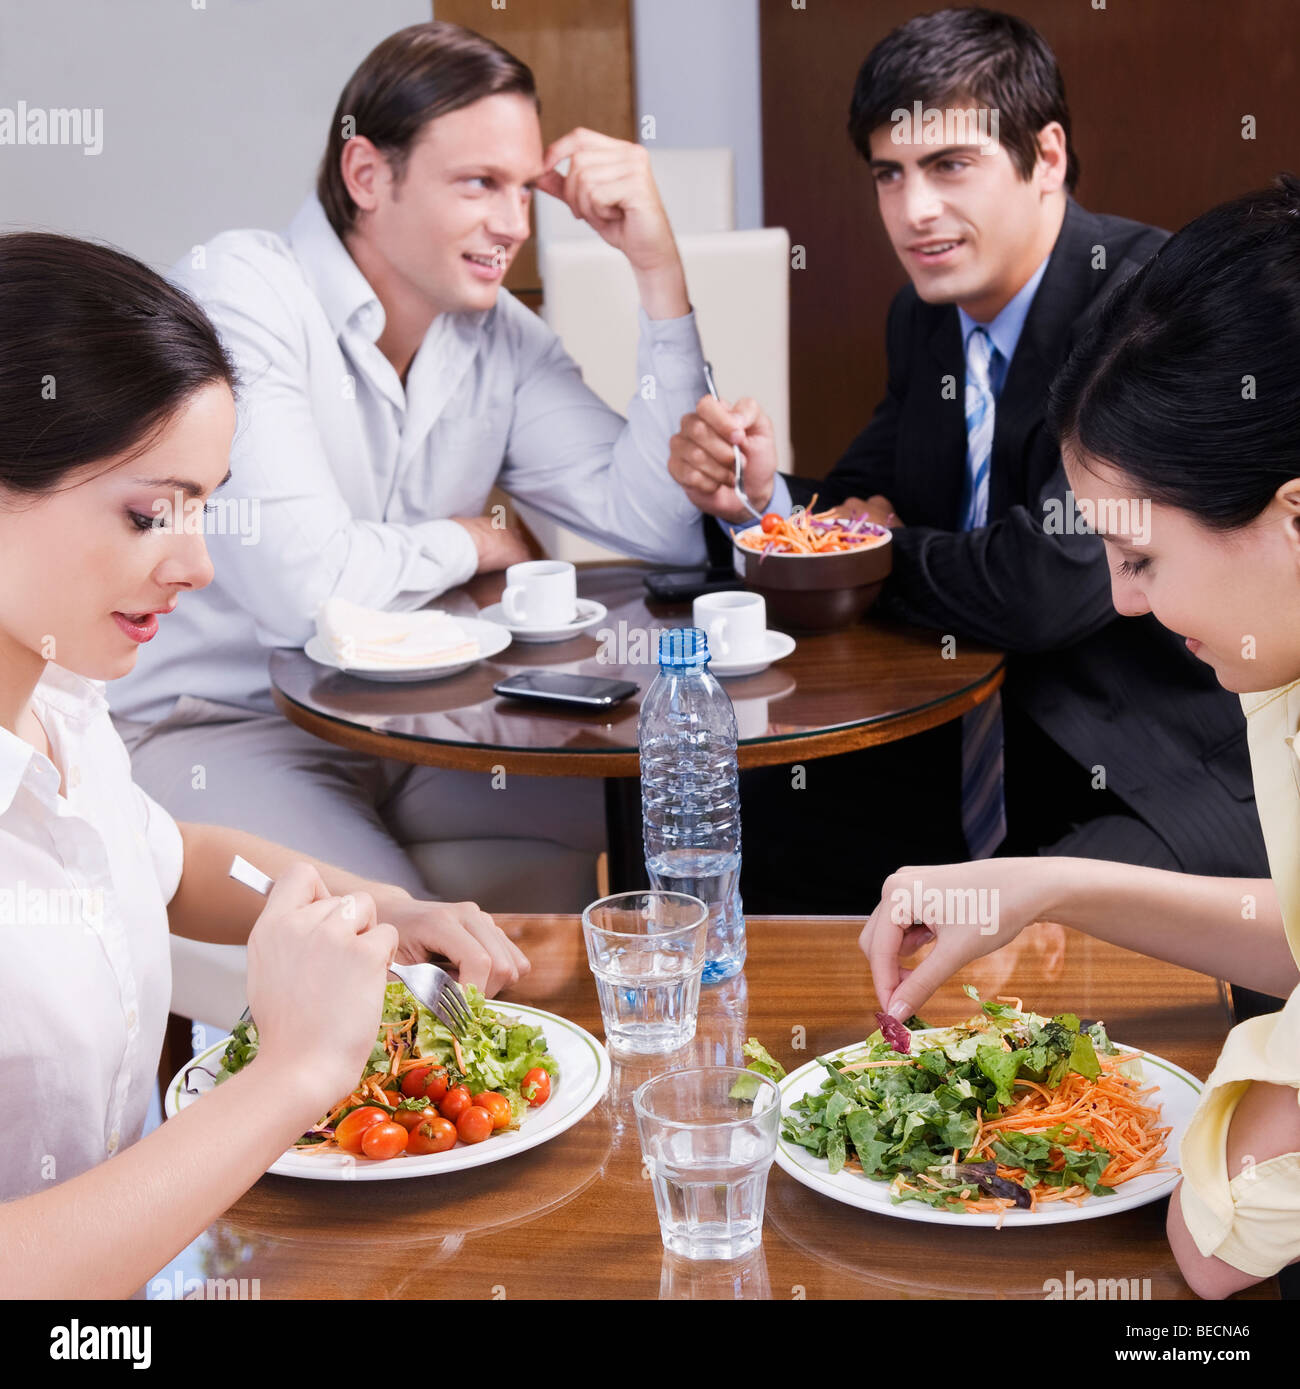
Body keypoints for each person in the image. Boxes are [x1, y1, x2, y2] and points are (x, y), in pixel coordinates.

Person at [0, 231, 527, 1297]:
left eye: (203, 507)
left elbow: (175, 860)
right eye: (149, 512)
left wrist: (371, 905)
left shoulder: (60, 700)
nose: (196, 563)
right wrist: (294, 1072)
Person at [669, 7, 1268, 923]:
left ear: (1048, 157)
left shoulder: (1142, 296)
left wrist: (877, 546)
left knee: (1017, 955)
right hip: (967, 740)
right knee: (740, 834)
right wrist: (761, 490)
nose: (914, 212)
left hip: (1152, 763)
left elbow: (1051, 584)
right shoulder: (924, 318)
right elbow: (854, 498)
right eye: (889, 175)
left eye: (951, 166)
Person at [107, 20, 715, 905]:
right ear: (366, 175)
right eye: (479, 184)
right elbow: (305, 595)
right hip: (215, 730)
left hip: (416, 728)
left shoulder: (499, 332)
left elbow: (661, 528)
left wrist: (657, 267)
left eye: (521, 189)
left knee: (659, 824)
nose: (513, 226)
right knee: (399, 964)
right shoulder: (243, 292)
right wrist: (475, 539)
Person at [863, 175, 1300, 1297]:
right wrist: (1042, 885)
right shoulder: (1272, 673)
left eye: (1142, 557)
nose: (1125, 601)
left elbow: (1222, 1245)